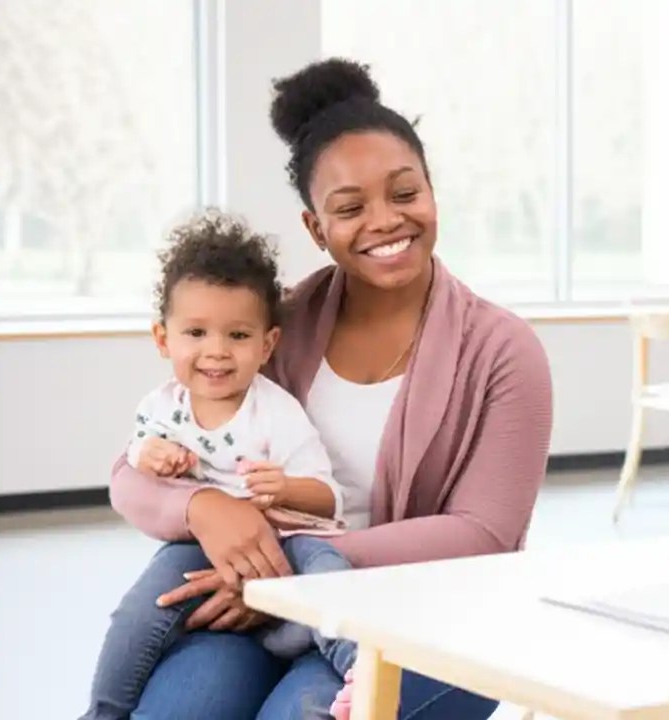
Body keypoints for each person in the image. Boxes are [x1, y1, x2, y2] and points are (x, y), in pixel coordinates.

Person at [107, 58, 553, 719]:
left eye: (406, 194)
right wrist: (205, 507)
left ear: (433, 193)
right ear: (316, 228)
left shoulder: (502, 350)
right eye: (350, 208)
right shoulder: (274, 328)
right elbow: (132, 472)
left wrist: (287, 562)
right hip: (263, 602)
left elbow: (483, 534)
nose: (385, 221)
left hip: (429, 617)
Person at [83, 215, 359, 720]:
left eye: (237, 334)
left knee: (331, 573)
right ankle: (104, 711)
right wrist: (150, 455)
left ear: (267, 344)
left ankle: (357, 667)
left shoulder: (275, 411)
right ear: (163, 338)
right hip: (198, 546)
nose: (216, 351)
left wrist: (287, 487)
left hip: (288, 545)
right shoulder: (163, 405)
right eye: (195, 332)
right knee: (143, 608)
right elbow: (136, 458)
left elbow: (329, 499)